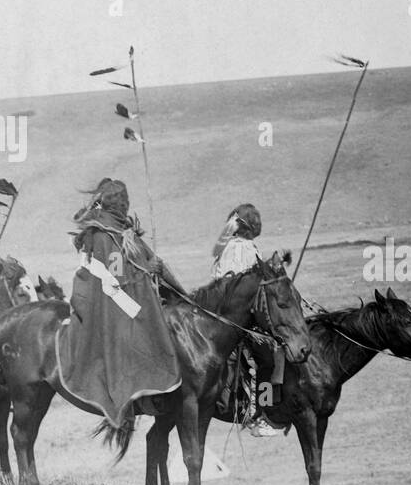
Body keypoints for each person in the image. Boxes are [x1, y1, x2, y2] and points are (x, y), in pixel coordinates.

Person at [57, 179, 181, 427]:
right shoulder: (103, 234)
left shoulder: (124, 231)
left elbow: (146, 260)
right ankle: (128, 400)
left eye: (126, 200)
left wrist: (161, 272)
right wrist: (146, 272)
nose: (125, 205)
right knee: (133, 333)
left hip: (126, 295)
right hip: (107, 300)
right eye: (121, 200)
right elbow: (116, 275)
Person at [211, 204, 280, 436]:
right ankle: (264, 412)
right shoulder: (243, 248)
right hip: (238, 318)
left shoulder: (228, 246)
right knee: (267, 360)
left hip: (223, 313)